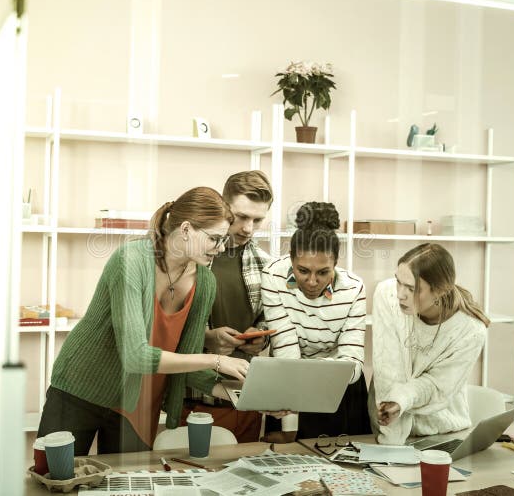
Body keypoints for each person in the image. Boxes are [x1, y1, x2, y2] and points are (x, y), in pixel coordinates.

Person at [37, 187, 250, 455]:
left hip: (136, 402)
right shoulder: (131, 261)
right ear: (186, 229)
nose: (221, 249)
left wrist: (248, 395)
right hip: (81, 389)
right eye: (215, 239)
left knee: (129, 479)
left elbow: (190, 365)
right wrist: (216, 360)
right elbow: (135, 356)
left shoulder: (205, 282)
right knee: (54, 475)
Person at [261, 202, 371, 441]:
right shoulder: (273, 276)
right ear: (291, 260)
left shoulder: (353, 288)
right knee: (287, 454)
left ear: (335, 264)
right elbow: (286, 346)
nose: (312, 281)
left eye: (323, 272)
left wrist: (321, 375)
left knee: (344, 454)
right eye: (302, 271)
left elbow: (352, 361)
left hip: (340, 384)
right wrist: (291, 421)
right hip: (290, 374)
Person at [183, 170, 273, 443]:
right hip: (193, 394)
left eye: (257, 220)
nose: (248, 228)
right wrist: (207, 338)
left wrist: (260, 338)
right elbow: (167, 326)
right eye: (242, 216)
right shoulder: (191, 258)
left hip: (246, 394)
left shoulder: (267, 264)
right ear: (224, 206)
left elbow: (268, 318)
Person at [369, 243, 490, 445]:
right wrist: (391, 443)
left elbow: (437, 385)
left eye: (412, 289)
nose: (400, 294)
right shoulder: (386, 295)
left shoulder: (471, 331)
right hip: (388, 429)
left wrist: (402, 400)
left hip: (441, 432)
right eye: (399, 282)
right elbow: (388, 370)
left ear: (440, 291)